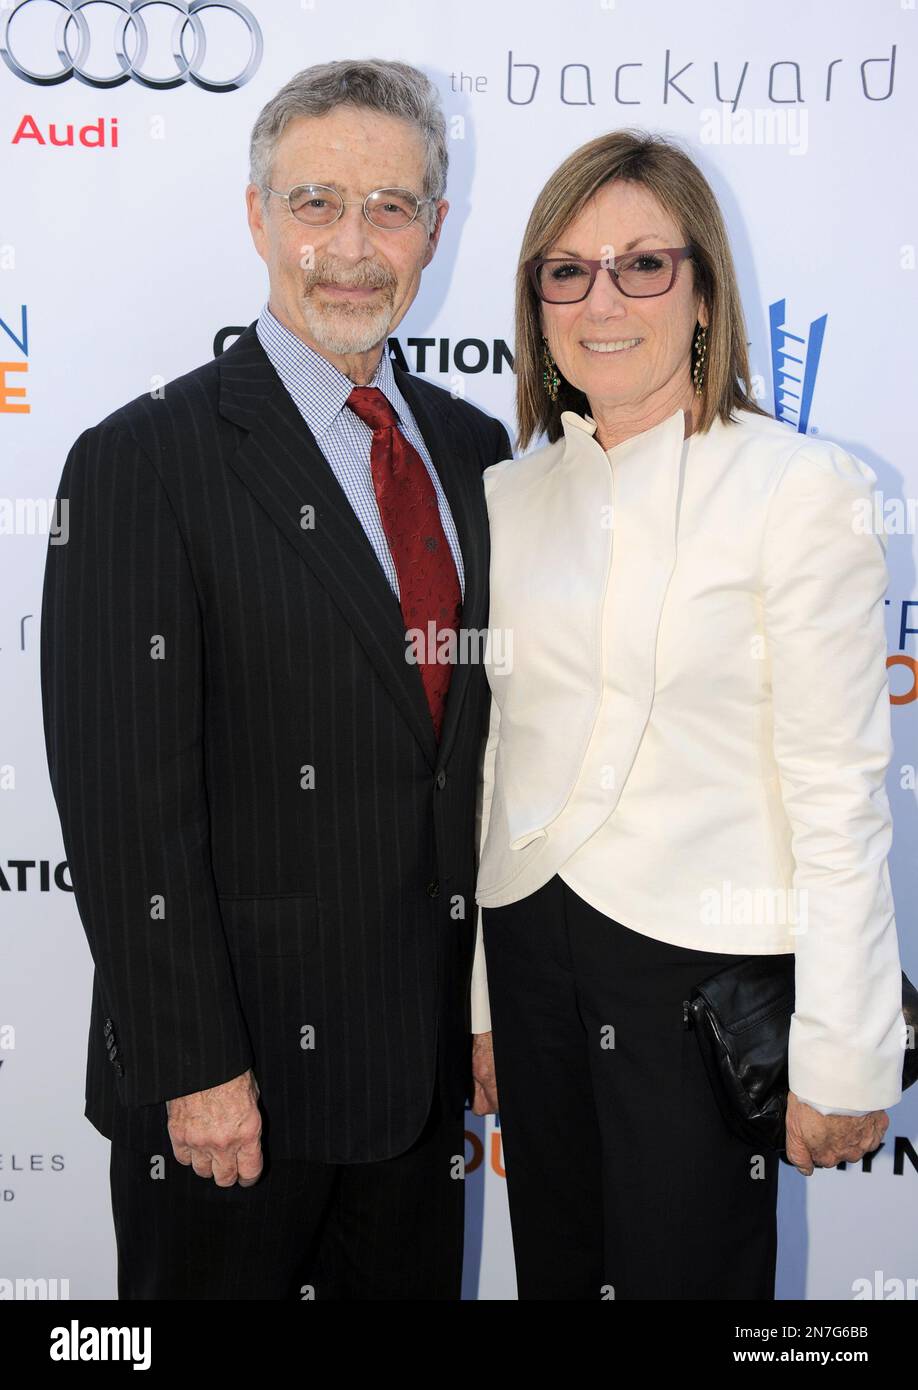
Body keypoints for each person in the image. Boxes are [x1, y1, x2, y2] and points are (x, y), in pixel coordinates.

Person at [40, 58, 511, 1301]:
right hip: (231, 1095)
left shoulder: (477, 452)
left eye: (392, 209)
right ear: (257, 217)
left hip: (415, 1098)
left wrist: (480, 1012)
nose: (353, 246)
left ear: (435, 232)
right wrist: (195, 1067)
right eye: (316, 204)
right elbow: (123, 806)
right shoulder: (145, 460)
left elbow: (474, 767)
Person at [469, 129, 907, 1300]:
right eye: (567, 270)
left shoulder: (800, 490)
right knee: (559, 1276)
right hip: (532, 957)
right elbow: (496, 756)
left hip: (702, 981)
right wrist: (481, 998)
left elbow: (838, 787)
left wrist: (849, 1046)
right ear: (538, 303)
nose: (602, 298)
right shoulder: (507, 496)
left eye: (642, 265)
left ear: (703, 291)